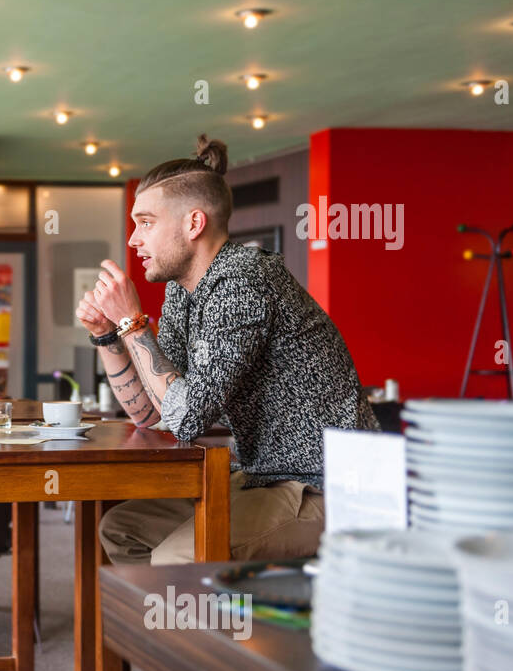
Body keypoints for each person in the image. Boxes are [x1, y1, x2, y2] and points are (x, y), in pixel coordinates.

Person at [76, 134, 377, 566]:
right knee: (121, 528)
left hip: (328, 486)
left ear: (193, 224)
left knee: (174, 560)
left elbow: (185, 419)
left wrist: (131, 322)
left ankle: (212, 627)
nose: (133, 241)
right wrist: (108, 336)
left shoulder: (243, 280)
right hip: (263, 479)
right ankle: (185, 628)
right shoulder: (185, 293)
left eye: (145, 222)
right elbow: (157, 415)